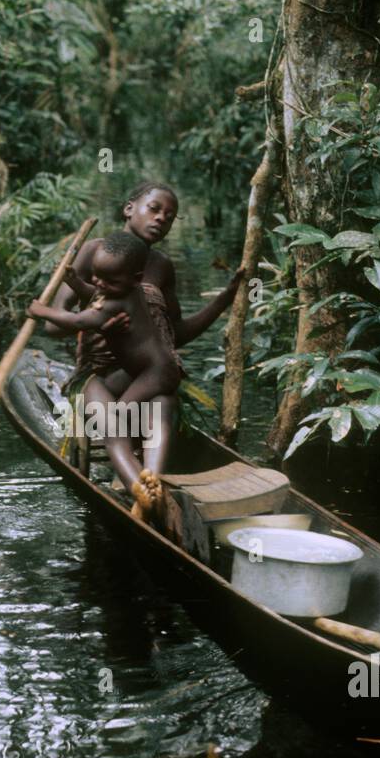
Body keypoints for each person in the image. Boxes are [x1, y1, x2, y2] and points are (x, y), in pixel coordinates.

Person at [40, 182, 244, 500]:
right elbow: (52, 328)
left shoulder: (162, 266)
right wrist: (103, 323)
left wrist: (222, 302)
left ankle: (152, 482)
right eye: (154, 209)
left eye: (170, 215)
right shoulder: (94, 251)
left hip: (143, 373)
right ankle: (140, 490)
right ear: (129, 208)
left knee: (164, 401)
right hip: (98, 374)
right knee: (109, 417)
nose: (162, 218)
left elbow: (175, 334)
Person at [27, 230, 178, 517]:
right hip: (125, 372)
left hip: (145, 374)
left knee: (130, 415)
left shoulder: (117, 298)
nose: (99, 284)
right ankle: (146, 488)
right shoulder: (118, 287)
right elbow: (91, 298)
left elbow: (77, 319)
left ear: (135, 278)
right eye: (95, 276)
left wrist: (41, 311)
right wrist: (76, 283)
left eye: (107, 280)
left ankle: (144, 487)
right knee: (118, 419)